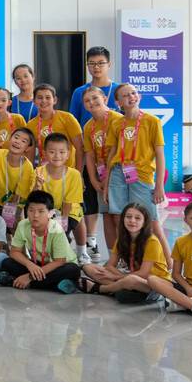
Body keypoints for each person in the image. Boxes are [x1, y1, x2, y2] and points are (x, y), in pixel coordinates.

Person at [106, 83, 169, 258]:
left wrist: (159, 186)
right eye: (125, 95)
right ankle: (127, 259)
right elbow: (112, 154)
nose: (131, 97)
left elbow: (160, 154)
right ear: (118, 102)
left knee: (152, 221)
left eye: (133, 93)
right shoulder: (117, 123)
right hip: (119, 172)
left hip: (142, 174)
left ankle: (169, 266)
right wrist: (106, 185)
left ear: (139, 96)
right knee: (120, 218)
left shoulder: (152, 121)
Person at [0, 190, 82, 292]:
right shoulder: (23, 225)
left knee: (73, 270)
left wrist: (29, 277)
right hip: (37, 264)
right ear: (26, 211)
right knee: (7, 263)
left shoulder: (56, 229)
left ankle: (18, 281)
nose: (35, 215)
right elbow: (14, 252)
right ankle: (54, 285)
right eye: (31, 210)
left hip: (59, 265)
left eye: (41, 211)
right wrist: (29, 265)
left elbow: (59, 261)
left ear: (50, 213)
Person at [79, 202, 166, 302]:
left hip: (154, 283)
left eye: (137, 218)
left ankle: (100, 289)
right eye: (128, 217)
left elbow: (144, 273)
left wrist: (116, 276)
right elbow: (110, 265)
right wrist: (117, 276)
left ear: (144, 222)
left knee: (130, 281)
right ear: (123, 219)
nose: (132, 221)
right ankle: (119, 288)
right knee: (88, 267)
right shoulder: (122, 238)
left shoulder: (152, 241)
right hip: (131, 277)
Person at [81, 86, 123, 256]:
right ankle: (113, 257)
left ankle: (125, 256)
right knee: (106, 216)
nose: (91, 103)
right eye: (87, 101)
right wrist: (93, 179)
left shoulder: (118, 120)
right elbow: (89, 155)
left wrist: (108, 179)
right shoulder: (89, 126)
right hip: (101, 174)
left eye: (95, 98)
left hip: (119, 174)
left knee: (118, 216)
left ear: (105, 99)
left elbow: (120, 152)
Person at [37, 133, 88, 263]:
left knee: (59, 232)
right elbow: (35, 199)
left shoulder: (74, 174)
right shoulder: (38, 172)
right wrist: (37, 186)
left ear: (68, 154)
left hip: (69, 211)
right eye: (52, 152)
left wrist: (62, 224)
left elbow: (68, 202)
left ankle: (80, 253)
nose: (57, 156)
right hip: (47, 210)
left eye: (61, 152)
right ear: (44, 153)